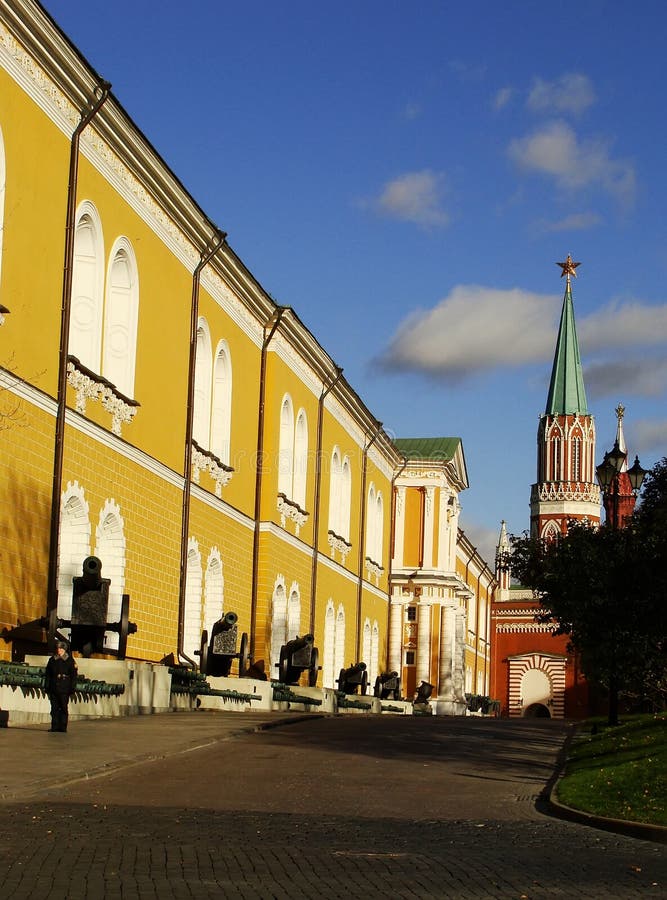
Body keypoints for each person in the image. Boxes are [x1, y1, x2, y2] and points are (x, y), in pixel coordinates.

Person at [44, 641, 77, 732]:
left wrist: (72, 688)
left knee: (63, 708)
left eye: (61, 649)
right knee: (54, 708)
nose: (59, 650)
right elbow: (48, 674)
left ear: (64, 650)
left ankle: (62, 727)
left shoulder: (70, 660)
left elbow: (74, 676)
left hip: (64, 688)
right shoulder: (52, 660)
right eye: (58, 649)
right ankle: (54, 726)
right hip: (54, 687)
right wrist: (47, 686)